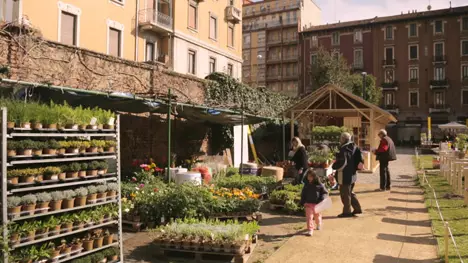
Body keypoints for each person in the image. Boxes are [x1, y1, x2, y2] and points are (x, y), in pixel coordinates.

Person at [332, 132, 363, 218]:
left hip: (344, 174)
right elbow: (360, 159)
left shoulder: (344, 149)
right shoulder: (354, 146)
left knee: (345, 194)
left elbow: (342, 163)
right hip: (352, 174)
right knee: (350, 193)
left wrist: (335, 166)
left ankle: (347, 212)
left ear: (343, 139)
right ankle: (357, 209)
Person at [300, 169, 328, 236]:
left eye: (310, 176)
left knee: (317, 217)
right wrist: (302, 201)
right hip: (308, 204)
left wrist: (322, 198)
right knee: (309, 218)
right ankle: (310, 230)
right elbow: (303, 194)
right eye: (308, 176)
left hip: (317, 204)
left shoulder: (319, 185)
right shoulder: (306, 185)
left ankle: (318, 223)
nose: (309, 178)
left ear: (314, 177)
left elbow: (325, 192)